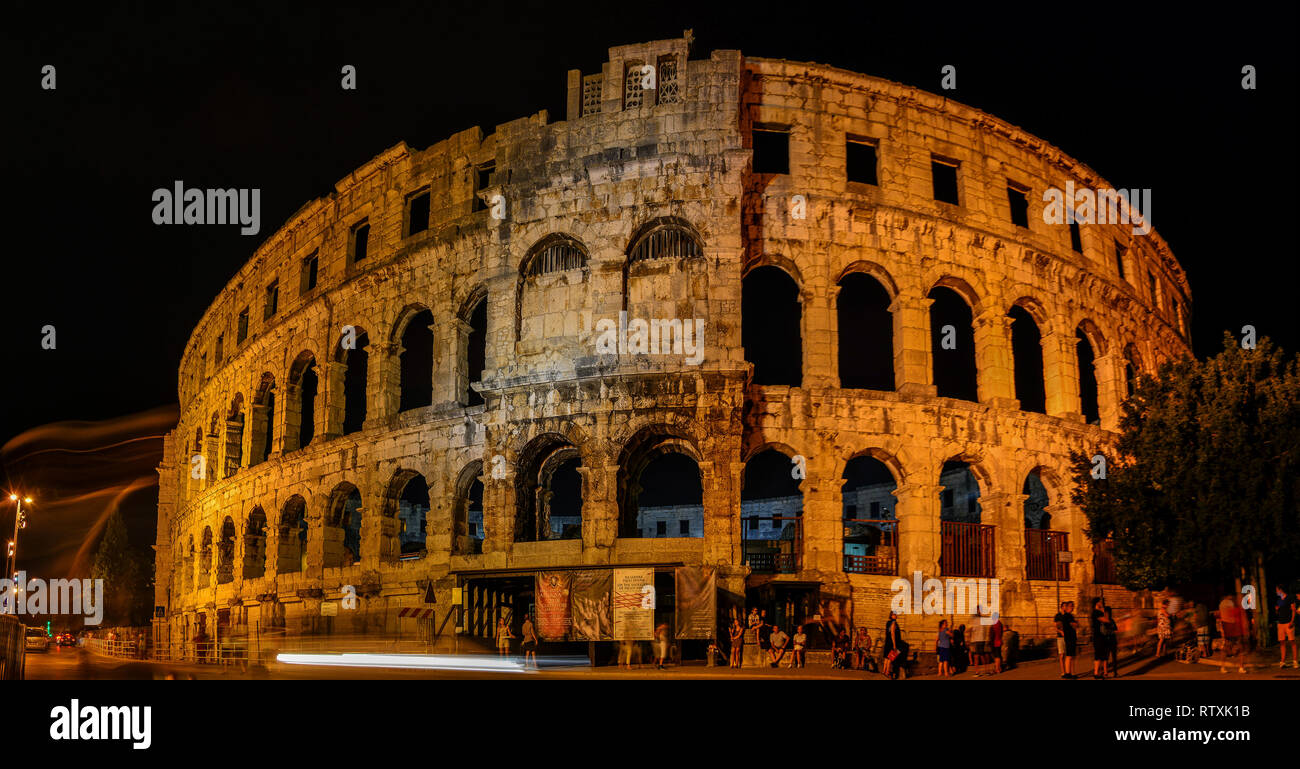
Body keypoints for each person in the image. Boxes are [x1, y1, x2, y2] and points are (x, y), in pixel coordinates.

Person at [1054, 601, 1078, 678]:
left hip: (1068, 637)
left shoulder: (1068, 616)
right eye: (1071, 606)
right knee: (1067, 655)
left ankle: (1069, 672)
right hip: (1067, 637)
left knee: (1070, 655)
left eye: (1073, 606)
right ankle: (1066, 672)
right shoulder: (1066, 616)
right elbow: (1074, 625)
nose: (1072, 608)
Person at [1275, 585, 1297, 669]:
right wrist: (1277, 610)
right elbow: (1279, 611)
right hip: (1280, 623)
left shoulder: (1289, 598)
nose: (1276, 591)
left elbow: (1293, 609)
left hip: (1288, 623)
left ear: (1281, 590)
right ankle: (1283, 661)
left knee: (1292, 641)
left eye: (1277, 590)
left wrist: (1292, 621)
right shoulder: (1279, 600)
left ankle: (1295, 661)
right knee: (1282, 642)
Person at [1090, 597, 1109, 679]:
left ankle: (1099, 672)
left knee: (1101, 654)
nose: (1102, 603)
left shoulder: (1098, 612)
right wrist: (1103, 611)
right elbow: (1106, 620)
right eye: (1100, 602)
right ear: (1097, 603)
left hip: (1101, 635)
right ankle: (1096, 673)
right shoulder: (1096, 612)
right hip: (1098, 636)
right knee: (1098, 654)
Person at [882, 611, 904, 679]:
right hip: (891, 642)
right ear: (891, 616)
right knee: (890, 657)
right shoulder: (894, 623)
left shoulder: (888, 622)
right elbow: (892, 633)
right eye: (894, 615)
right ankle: (887, 672)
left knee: (886, 657)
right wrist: (894, 644)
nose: (896, 616)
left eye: (896, 614)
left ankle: (884, 670)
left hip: (887, 641)